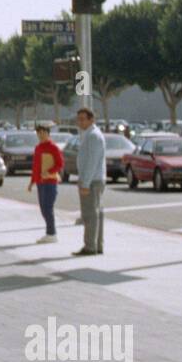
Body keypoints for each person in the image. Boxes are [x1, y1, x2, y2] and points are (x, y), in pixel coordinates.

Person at [73, 106, 105, 256]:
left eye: (82, 119)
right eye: (78, 119)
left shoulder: (93, 136)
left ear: (91, 119)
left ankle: (90, 246)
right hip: (94, 179)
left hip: (92, 181)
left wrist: (85, 183)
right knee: (96, 213)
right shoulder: (90, 134)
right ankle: (97, 245)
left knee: (90, 214)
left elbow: (91, 162)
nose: (79, 122)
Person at [27, 121, 63, 242]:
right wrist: (32, 182)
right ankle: (50, 233)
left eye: (43, 133)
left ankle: (51, 234)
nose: (41, 135)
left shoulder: (53, 147)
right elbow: (35, 167)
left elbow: (60, 164)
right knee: (43, 208)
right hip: (40, 182)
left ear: (48, 134)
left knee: (48, 208)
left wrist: (50, 171)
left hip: (50, 182)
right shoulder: (38, 148)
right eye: (39, 133)